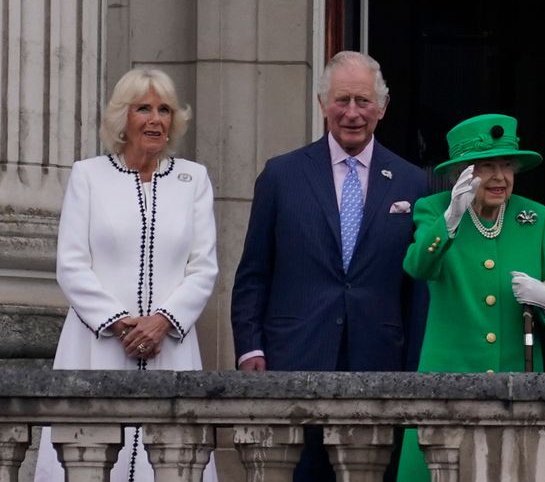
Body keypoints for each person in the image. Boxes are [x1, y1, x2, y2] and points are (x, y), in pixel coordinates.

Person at [230, 51, 428, 482]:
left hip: (380, 366)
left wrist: (416, 368)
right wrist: (250, 348)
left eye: (363, 101)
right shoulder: (281, 175)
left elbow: (418, 289)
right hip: (293, 362)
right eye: (342, 101)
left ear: (382, 107)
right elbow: (253, 273)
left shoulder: (415, 182)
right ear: (322, 104)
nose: (352, 113)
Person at [35, 68, 218, 482]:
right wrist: (120, 324)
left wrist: (161, 323)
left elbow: (203, 265)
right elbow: (72, 264)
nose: (156, 120)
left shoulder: (193, 180)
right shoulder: (88, 176)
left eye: (165, 110)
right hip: (96, 346)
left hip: (169, 346)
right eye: (144, 109)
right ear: (124, 118)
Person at [396, 113, 545, 481]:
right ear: (461, 172)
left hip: (517, 396)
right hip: (448, 389)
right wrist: (450, 219)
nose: (499, 177)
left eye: (507, 165)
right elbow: (417, 267)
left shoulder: (536, 218)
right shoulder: (434, 210)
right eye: (486, 167)